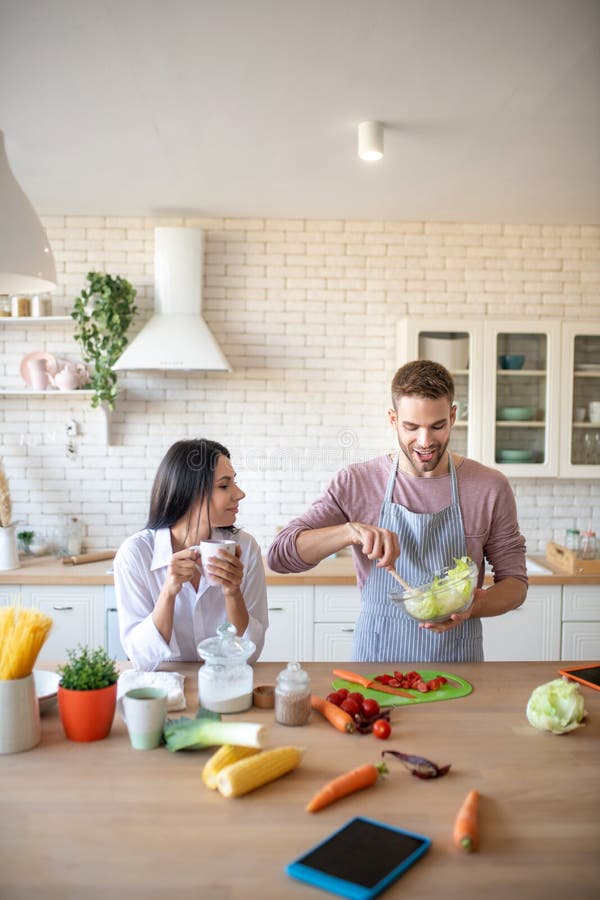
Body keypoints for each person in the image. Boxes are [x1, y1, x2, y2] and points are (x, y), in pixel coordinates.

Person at [268, 360, 528, 663]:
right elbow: (280, 556)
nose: (425, 441)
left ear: (453, 416)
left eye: (437, 426)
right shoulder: (357, 482)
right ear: (393, 419)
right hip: (377, 663)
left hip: (459, 664)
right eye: (411, 427)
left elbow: (515, 584)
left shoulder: (489, 487)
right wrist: (348, 530)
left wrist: (472, 607)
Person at [115, 439, 268, 670]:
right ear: (189, 493)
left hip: (227, 684)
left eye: (234, 482)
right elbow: (141, 659)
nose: (240, 493)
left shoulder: (245, 549)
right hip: (164, 692)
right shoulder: (135, 555)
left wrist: (232, 592)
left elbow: (249, 656)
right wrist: (168, 591)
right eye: (224, 486)